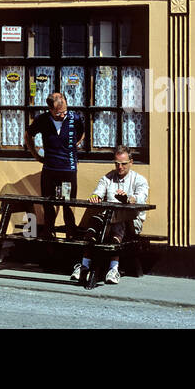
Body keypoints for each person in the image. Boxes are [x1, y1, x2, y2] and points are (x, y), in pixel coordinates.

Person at [78, 145, 150, 286]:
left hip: (132, 221)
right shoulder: (108, 177)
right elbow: (97, 191)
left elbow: (141, 197)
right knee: (99, 221)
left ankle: (112, 268)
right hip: (108, 220)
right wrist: (95, 196)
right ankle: (85, 266)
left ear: (131, 162)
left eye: (123, 164)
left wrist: (130, 199)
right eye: (117, 164)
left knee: (112, 221)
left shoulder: (139, 180)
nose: (120, 167)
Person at [26, 92, 86, 239]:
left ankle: (71, 236)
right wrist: (36, 155)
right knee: (48, 204)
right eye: (58, 113)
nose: (62, 115)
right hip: (50, 169)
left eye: (64, 111)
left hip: (68, 169)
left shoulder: (75, 118)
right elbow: (28, 135)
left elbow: (82, 133)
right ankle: (49, 235)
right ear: (50, 109)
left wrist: (73, 145)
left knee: (68, 204)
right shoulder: (42, 119)